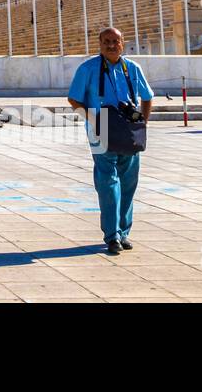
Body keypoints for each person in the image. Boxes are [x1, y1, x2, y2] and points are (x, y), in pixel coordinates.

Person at [67, 27, 153, 256]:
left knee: (128, 181)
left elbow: (148, 97)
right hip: (100, 126)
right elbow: (73, 99)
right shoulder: (88, 69)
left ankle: (124, 231)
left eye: (115, 41)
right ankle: (112, 235)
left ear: (123, 43)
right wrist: (92, 120)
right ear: (99, 43)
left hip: (127, 129)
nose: (111, 45)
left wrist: (142, 122)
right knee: (107, 181)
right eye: (106, 41)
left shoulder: (132, 68)